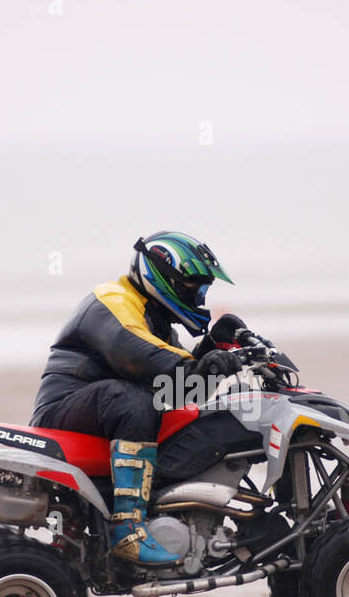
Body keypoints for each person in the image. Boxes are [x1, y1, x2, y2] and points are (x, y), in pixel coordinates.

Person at [31, 231, 245, 565]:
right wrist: (198, 363)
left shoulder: (158, 326)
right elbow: (134, 351)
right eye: (191, 288)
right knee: (133, 400)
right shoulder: (112, 299)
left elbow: (180, 394)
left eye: (202, 290)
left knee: (174, 413)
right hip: (62, 411)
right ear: (163, 276)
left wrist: (217, 352)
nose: (198, 298)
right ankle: (127, 530)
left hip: (101, 416)